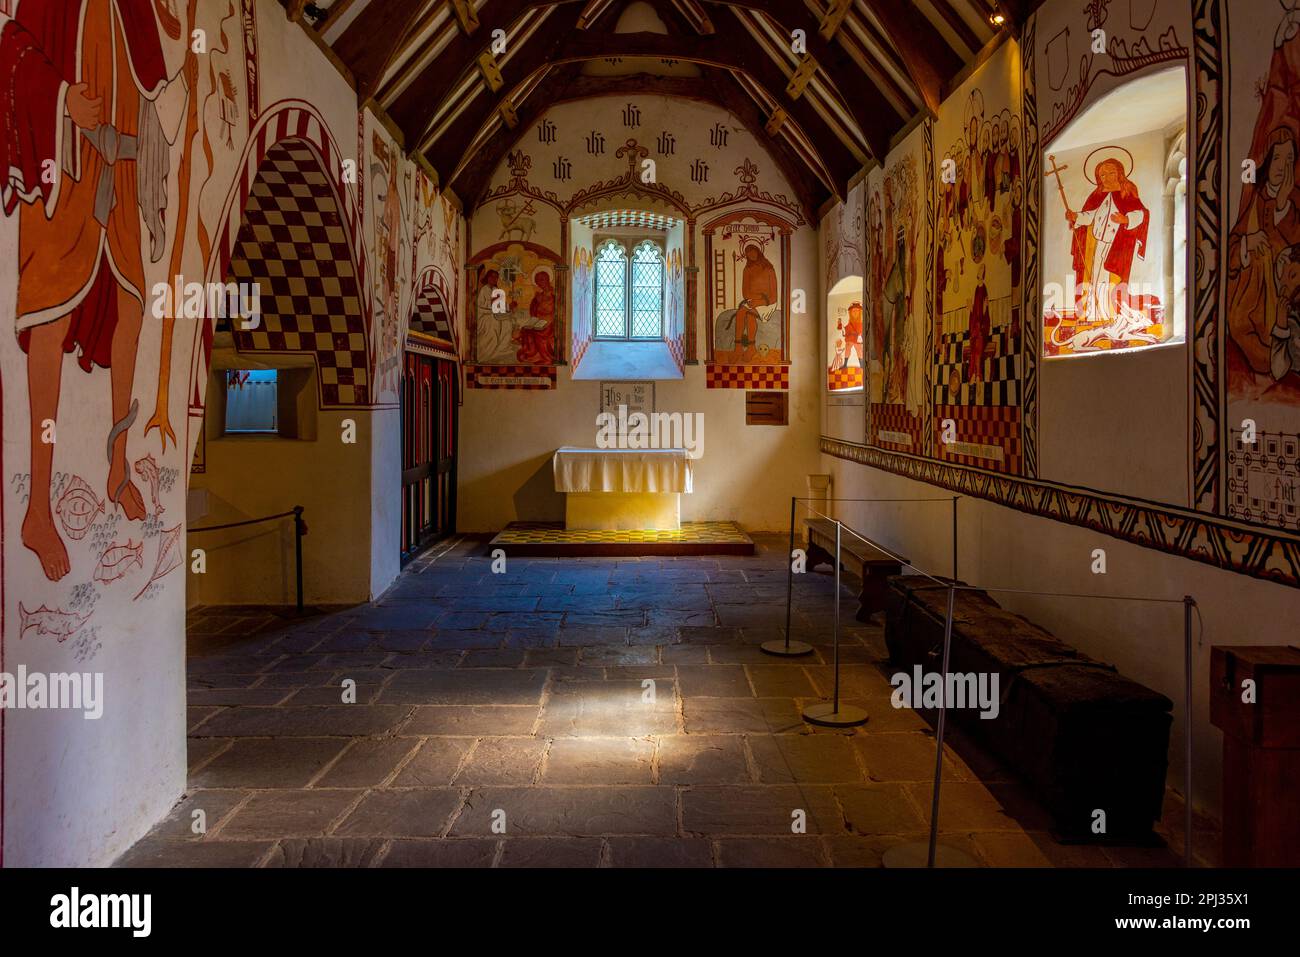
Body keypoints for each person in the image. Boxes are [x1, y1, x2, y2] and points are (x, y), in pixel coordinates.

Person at [1, 0, 193, 581]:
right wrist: (60, 98)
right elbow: (12, 44)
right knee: (50, 316)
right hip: (65, 166)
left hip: (123, 173)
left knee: (131, 309)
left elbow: (159, 75)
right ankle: (37, 508)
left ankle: (118, 467)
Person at [1067, 156, 1149, 323]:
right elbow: (1090, 215)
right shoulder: (1097, 195)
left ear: (1119, 173)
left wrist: (1125, 219)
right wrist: (1076, 216)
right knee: (1094, 278)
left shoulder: (1127, 192)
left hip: (1116, 246)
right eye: (1102, 175)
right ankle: (1092, 313)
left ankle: (1110, 314)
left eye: (1111, 173)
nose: (1106, 178)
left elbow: (1142, 213)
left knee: (1109, 278)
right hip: (1096, 245)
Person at [733, 242, 777, 358]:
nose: (751, 255)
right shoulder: (747, 270)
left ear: (758, 251)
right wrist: (757, 298)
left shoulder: (769, 269)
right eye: (748, 253)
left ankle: (751, 348)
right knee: (740, 312)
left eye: (752, 251)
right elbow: (745, 293)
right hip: (753, 301)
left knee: (749, 314)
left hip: (768, 304)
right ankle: (738, 347)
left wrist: (761, 300)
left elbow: (773, 297)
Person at [516, 270, 555, 365]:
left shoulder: (554, 294)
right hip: (539, 321)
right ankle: (531, 353)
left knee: (538, 332)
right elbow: (533, 310)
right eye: (537, 281)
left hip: (550, 321)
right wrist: (536, 302)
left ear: (548, 279)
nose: (540, 283)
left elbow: (552, 309)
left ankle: (547, 358)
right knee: (526, 329)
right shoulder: (539, 295)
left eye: (542, 280)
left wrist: (541, 303)